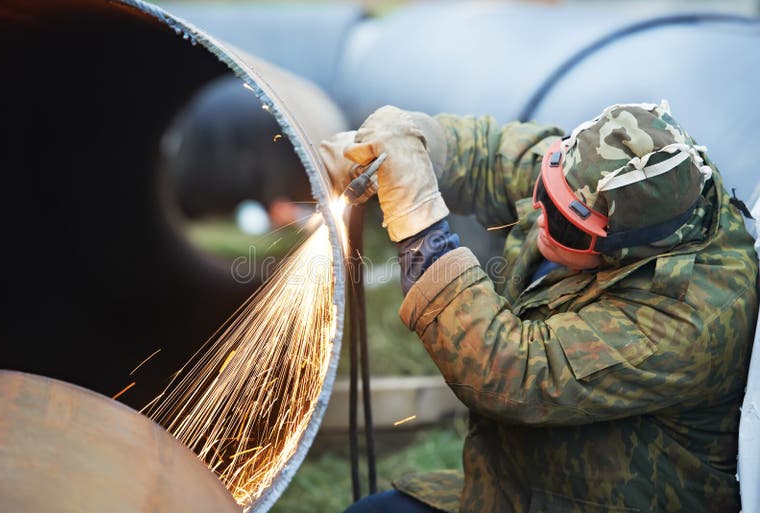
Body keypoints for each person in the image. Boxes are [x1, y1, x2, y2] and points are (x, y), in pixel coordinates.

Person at [320, 101, 759, 513]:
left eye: (569, 230)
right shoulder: (609, 174)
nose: (542, 223)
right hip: (517, 489)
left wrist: (420, 227)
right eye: (545, 197)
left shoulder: (689, 318)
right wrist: (415, 142)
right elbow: (495, 156)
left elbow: (510, 371)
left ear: (625, 249)